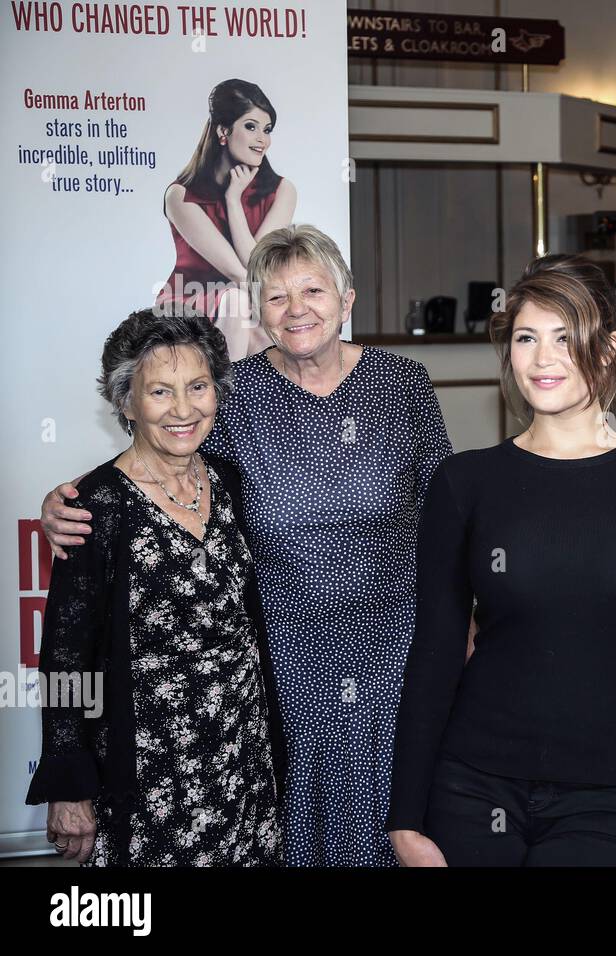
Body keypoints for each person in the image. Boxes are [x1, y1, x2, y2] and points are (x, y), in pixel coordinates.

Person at [41, 225, 453, 866]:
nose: (297, 310)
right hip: (273, 671)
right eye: (277, 296)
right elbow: (158, 461)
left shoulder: (401, 385)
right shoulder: (234, 396)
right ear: (257, 314)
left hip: (386, 657)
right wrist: (64, 505)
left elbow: (446, 513)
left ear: (347, 299)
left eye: (313, 291)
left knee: (396, 827)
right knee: (294, 832)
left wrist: (463, 624)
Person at [386, 255, 616, 867]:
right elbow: (434, 652)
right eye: (526, 338)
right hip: (473, 779)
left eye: (565, 338)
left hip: (610, 788)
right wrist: (404, 816)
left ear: (608, 349)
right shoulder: (465, 483)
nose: (542, 359)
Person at [27, 311, 285, 866]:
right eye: (160, 391)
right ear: (126, 402)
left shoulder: (230, 481)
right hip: (149, 775)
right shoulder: (94, 507)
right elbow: (66, 656)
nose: (183, 409)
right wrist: (69, 785)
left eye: (198, 387)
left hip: (244, 760)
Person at [155, 79, 297, 360]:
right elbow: (238, 273)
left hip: (248, 301)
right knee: (237, 300)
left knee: (256, 328)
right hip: (190, 301)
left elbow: (255, 264)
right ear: (223, 130)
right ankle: (226, 389)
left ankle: (235, 387)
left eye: (267, 129)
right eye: (251, 126)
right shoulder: (180, 196)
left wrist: (234, 202)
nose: (263, 139)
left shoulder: (283, 191)